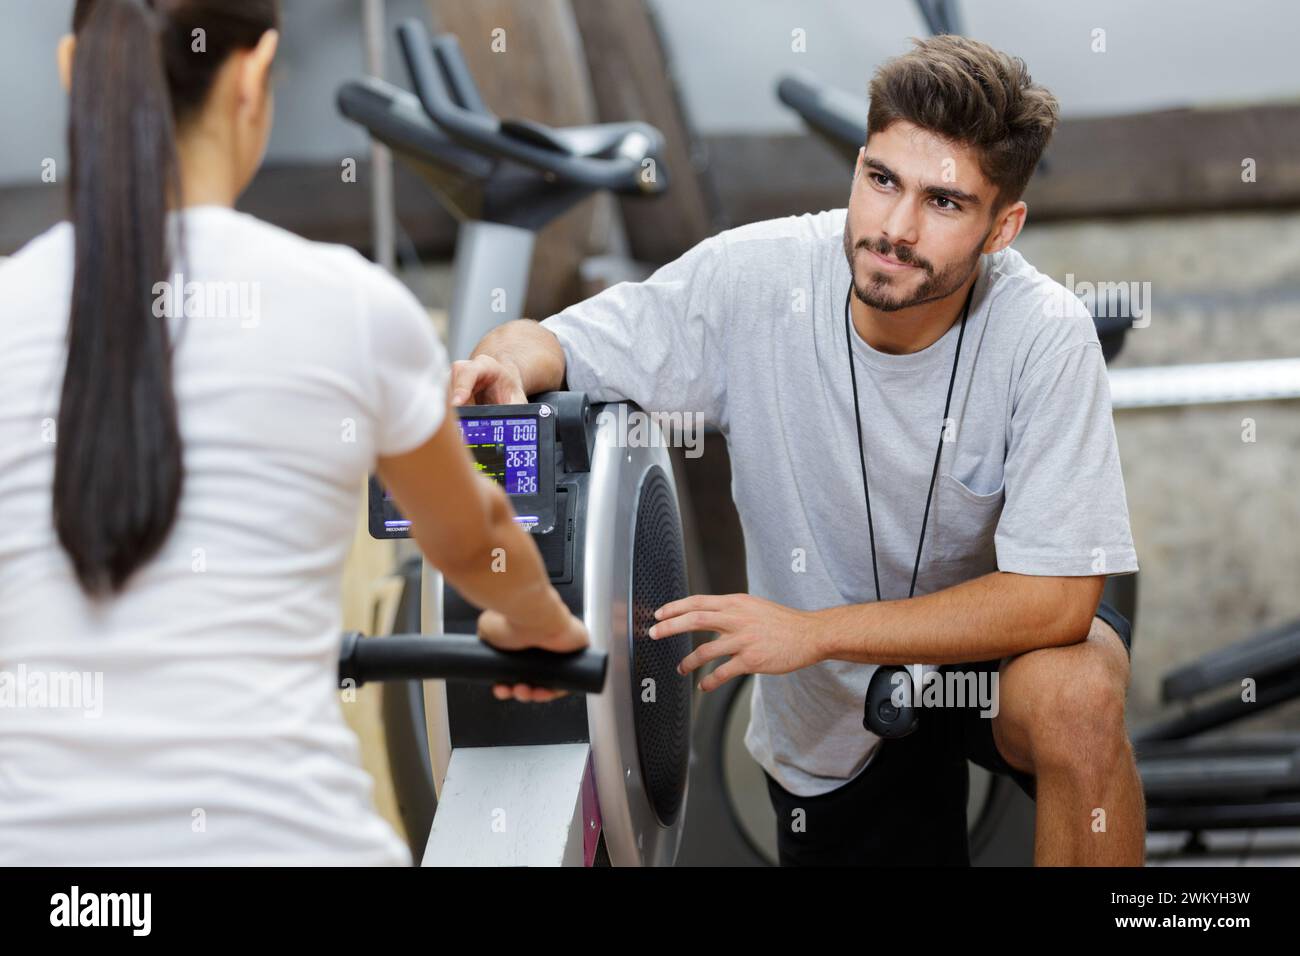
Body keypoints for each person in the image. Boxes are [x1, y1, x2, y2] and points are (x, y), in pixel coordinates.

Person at [454, 35, 1144, 866]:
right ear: (856, 166)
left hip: (985, 657)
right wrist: (499, 366)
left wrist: (817, 631)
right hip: (826, 714)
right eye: (881, 181)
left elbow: (1059, 601)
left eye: (945, 203)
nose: (895, 227)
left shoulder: (1045, 335)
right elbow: (549, 345)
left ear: (1004, 227)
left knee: (1079, 692)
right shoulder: (755, 277)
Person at [0, 0, 585, 866]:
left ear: (69, 71)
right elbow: (477, 539)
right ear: (254, 74)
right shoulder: (346, 304)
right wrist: (541, 625)